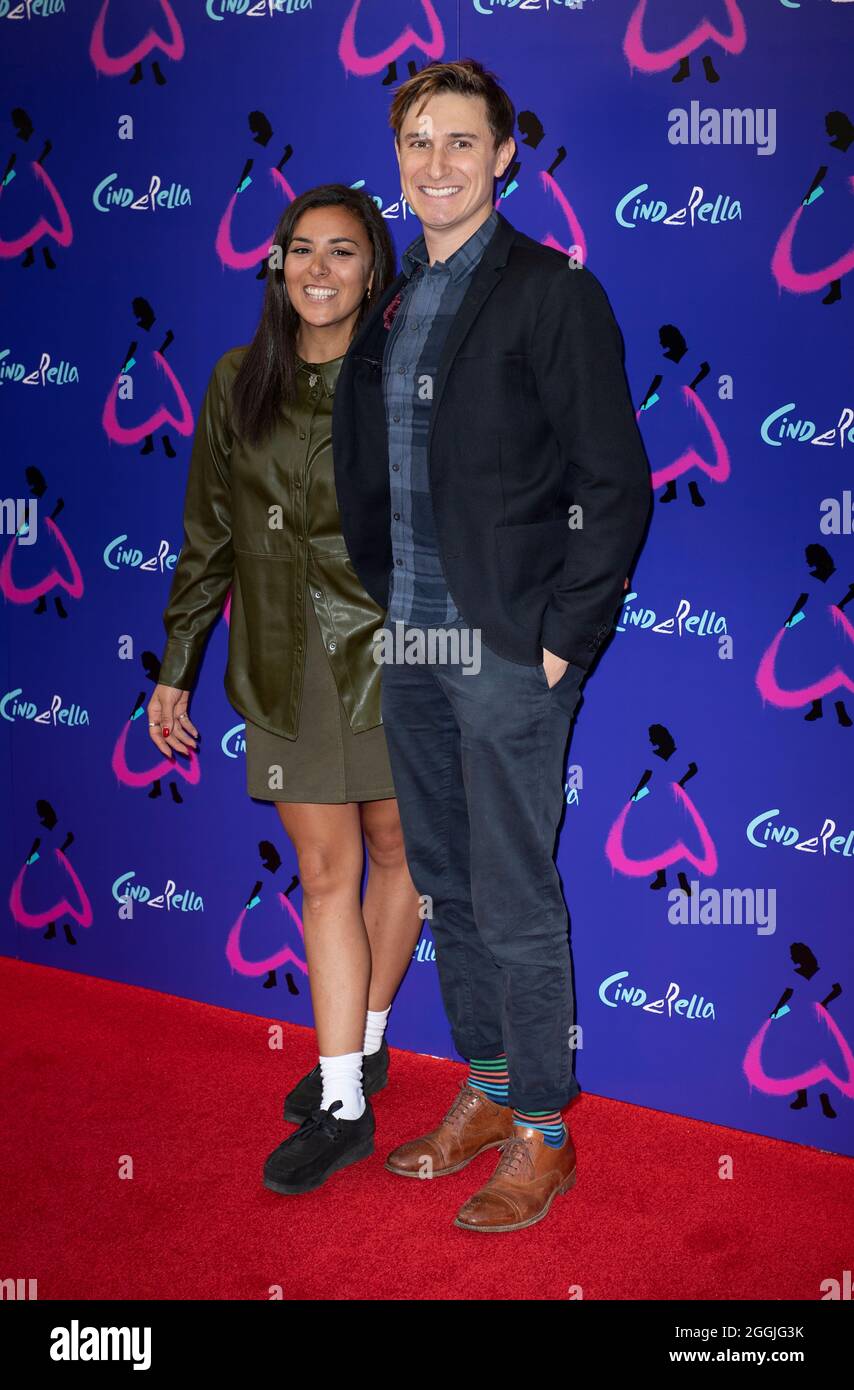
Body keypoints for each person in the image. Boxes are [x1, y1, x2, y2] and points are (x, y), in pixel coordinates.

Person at [332, 61, 652, 1232]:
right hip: (408, 641)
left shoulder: (552, 294)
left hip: (508, 652)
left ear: (505, 154)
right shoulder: (391, 296)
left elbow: (613, 486)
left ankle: (545, 1134)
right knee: (449, 886)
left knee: (514, 896)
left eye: (460, 142)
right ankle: (486, 1085)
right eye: (417, 141)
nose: (435, 164)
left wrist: (560, 643)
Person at [149, 185, 423, 1196]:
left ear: (372, 269)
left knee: (401, 853)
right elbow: (208, 534)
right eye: (298, 250)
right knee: (322, 873)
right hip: (281, 658)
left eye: (341, 252)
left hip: (395, 655)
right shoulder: (236, 379)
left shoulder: (402, 375)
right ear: (275, 266)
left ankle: (370, 1034)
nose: (316, 269)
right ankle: (342, 1099)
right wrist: (176, 663)